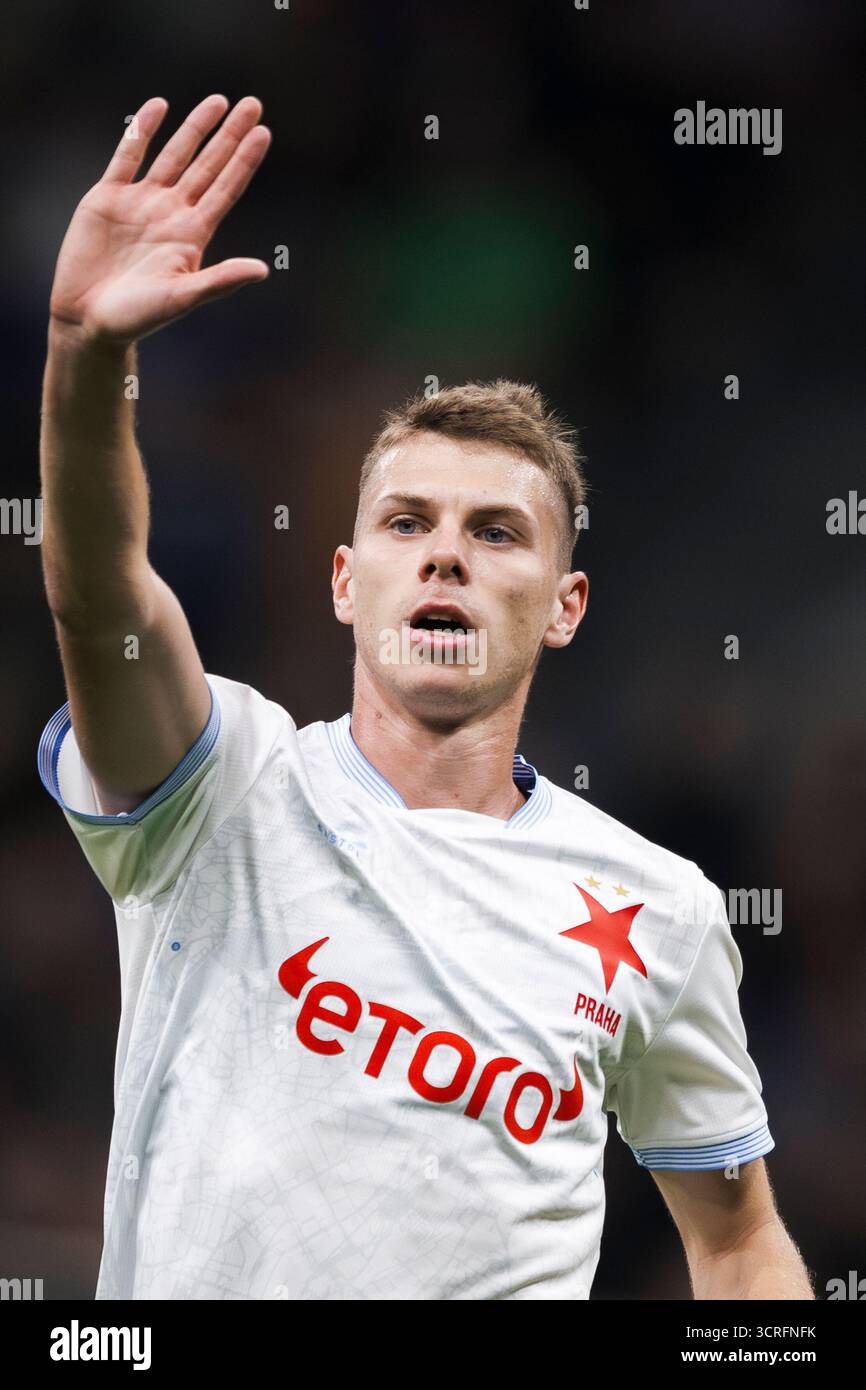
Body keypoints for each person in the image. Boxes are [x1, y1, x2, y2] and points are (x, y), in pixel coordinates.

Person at [37, 93, 812, 1300]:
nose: (444, 553)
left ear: (563, 605)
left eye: (495, 532)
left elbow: (736, 1241)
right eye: (406, 523)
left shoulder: (655, 908)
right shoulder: (224, 784)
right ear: (346, 582)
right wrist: (86, 360)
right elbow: (101, 602)